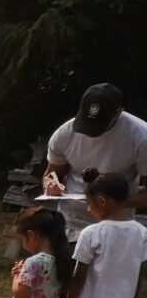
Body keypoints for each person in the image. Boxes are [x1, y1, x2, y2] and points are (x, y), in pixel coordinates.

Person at [42, 84, 147, 239]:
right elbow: (52, 174)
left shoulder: (140, 137)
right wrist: (51, 185)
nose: (91, 131)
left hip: (115, 227)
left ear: (118, 113)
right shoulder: (64, 134)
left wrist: (114, 203)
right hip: (70, 224)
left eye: (99, 124)